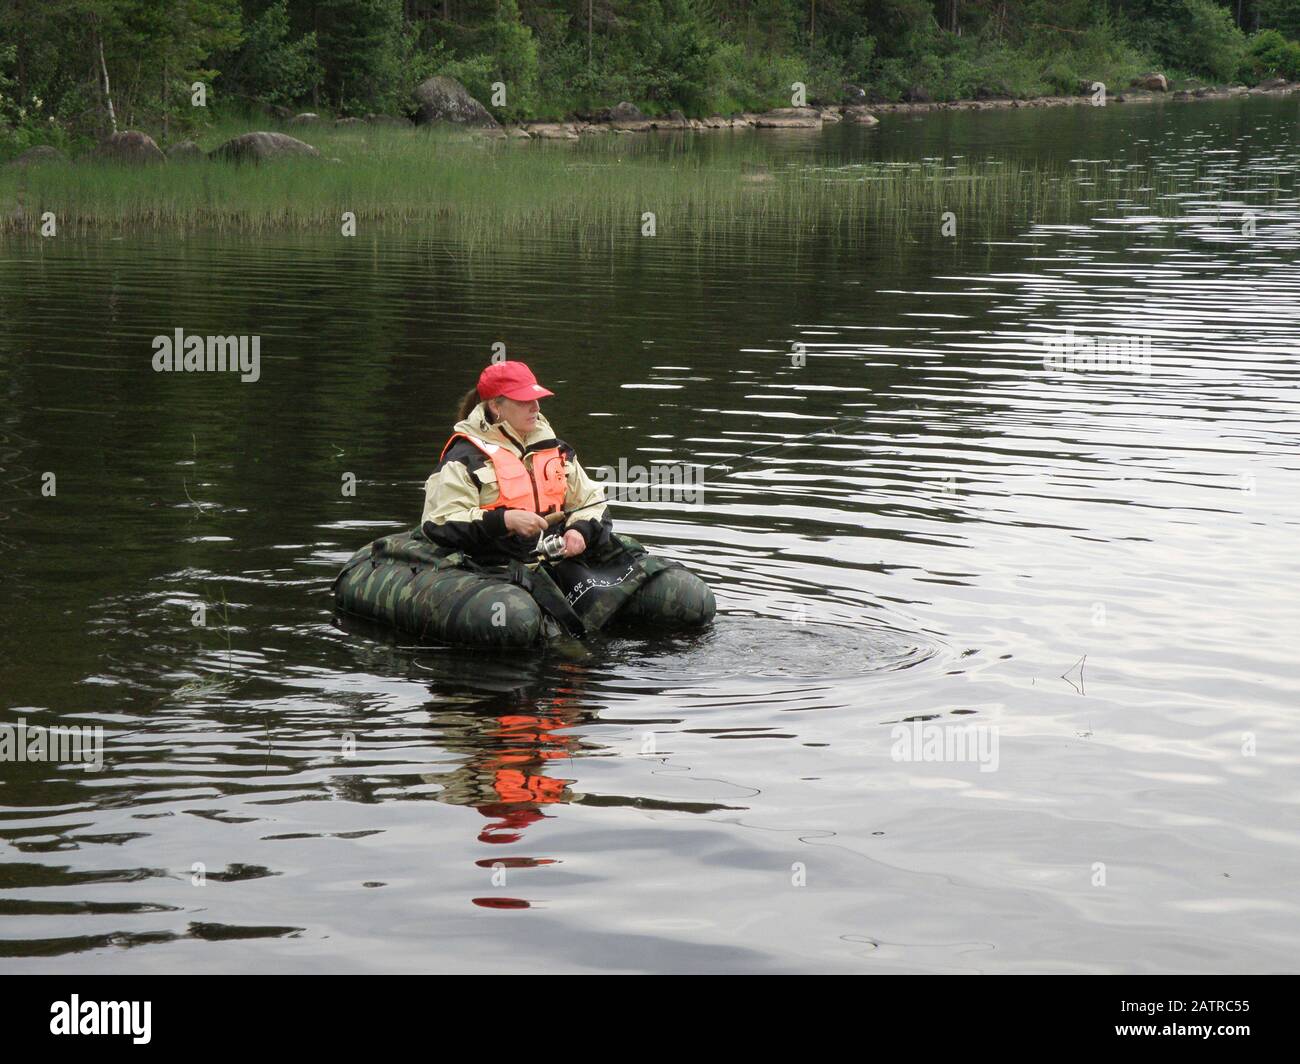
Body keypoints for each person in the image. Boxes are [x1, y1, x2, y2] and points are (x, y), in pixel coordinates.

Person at [422, 361, 611, 565]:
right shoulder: (463, 458)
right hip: (489, 568)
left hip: (553, 560)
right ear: (495, 406)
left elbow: (591, 500)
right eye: (524, 401)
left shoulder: (558, 450)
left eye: (536, 399)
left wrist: (580, 530)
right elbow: (440, 521)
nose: (536, 407)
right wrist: (505, 521)